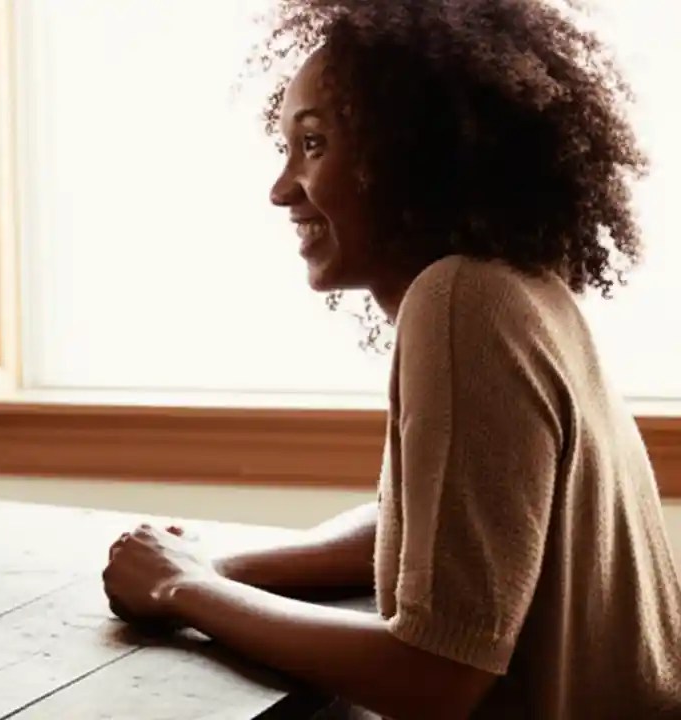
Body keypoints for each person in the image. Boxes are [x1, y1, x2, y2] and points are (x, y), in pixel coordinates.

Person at [103, 1, 681, 717]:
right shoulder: (520, 290)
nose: (282, 189)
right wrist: (217, 563)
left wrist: (185, 590)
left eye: (313, 145)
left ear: (414, 149)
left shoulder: (462, 300)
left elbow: (436, 676)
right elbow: (433, 528)